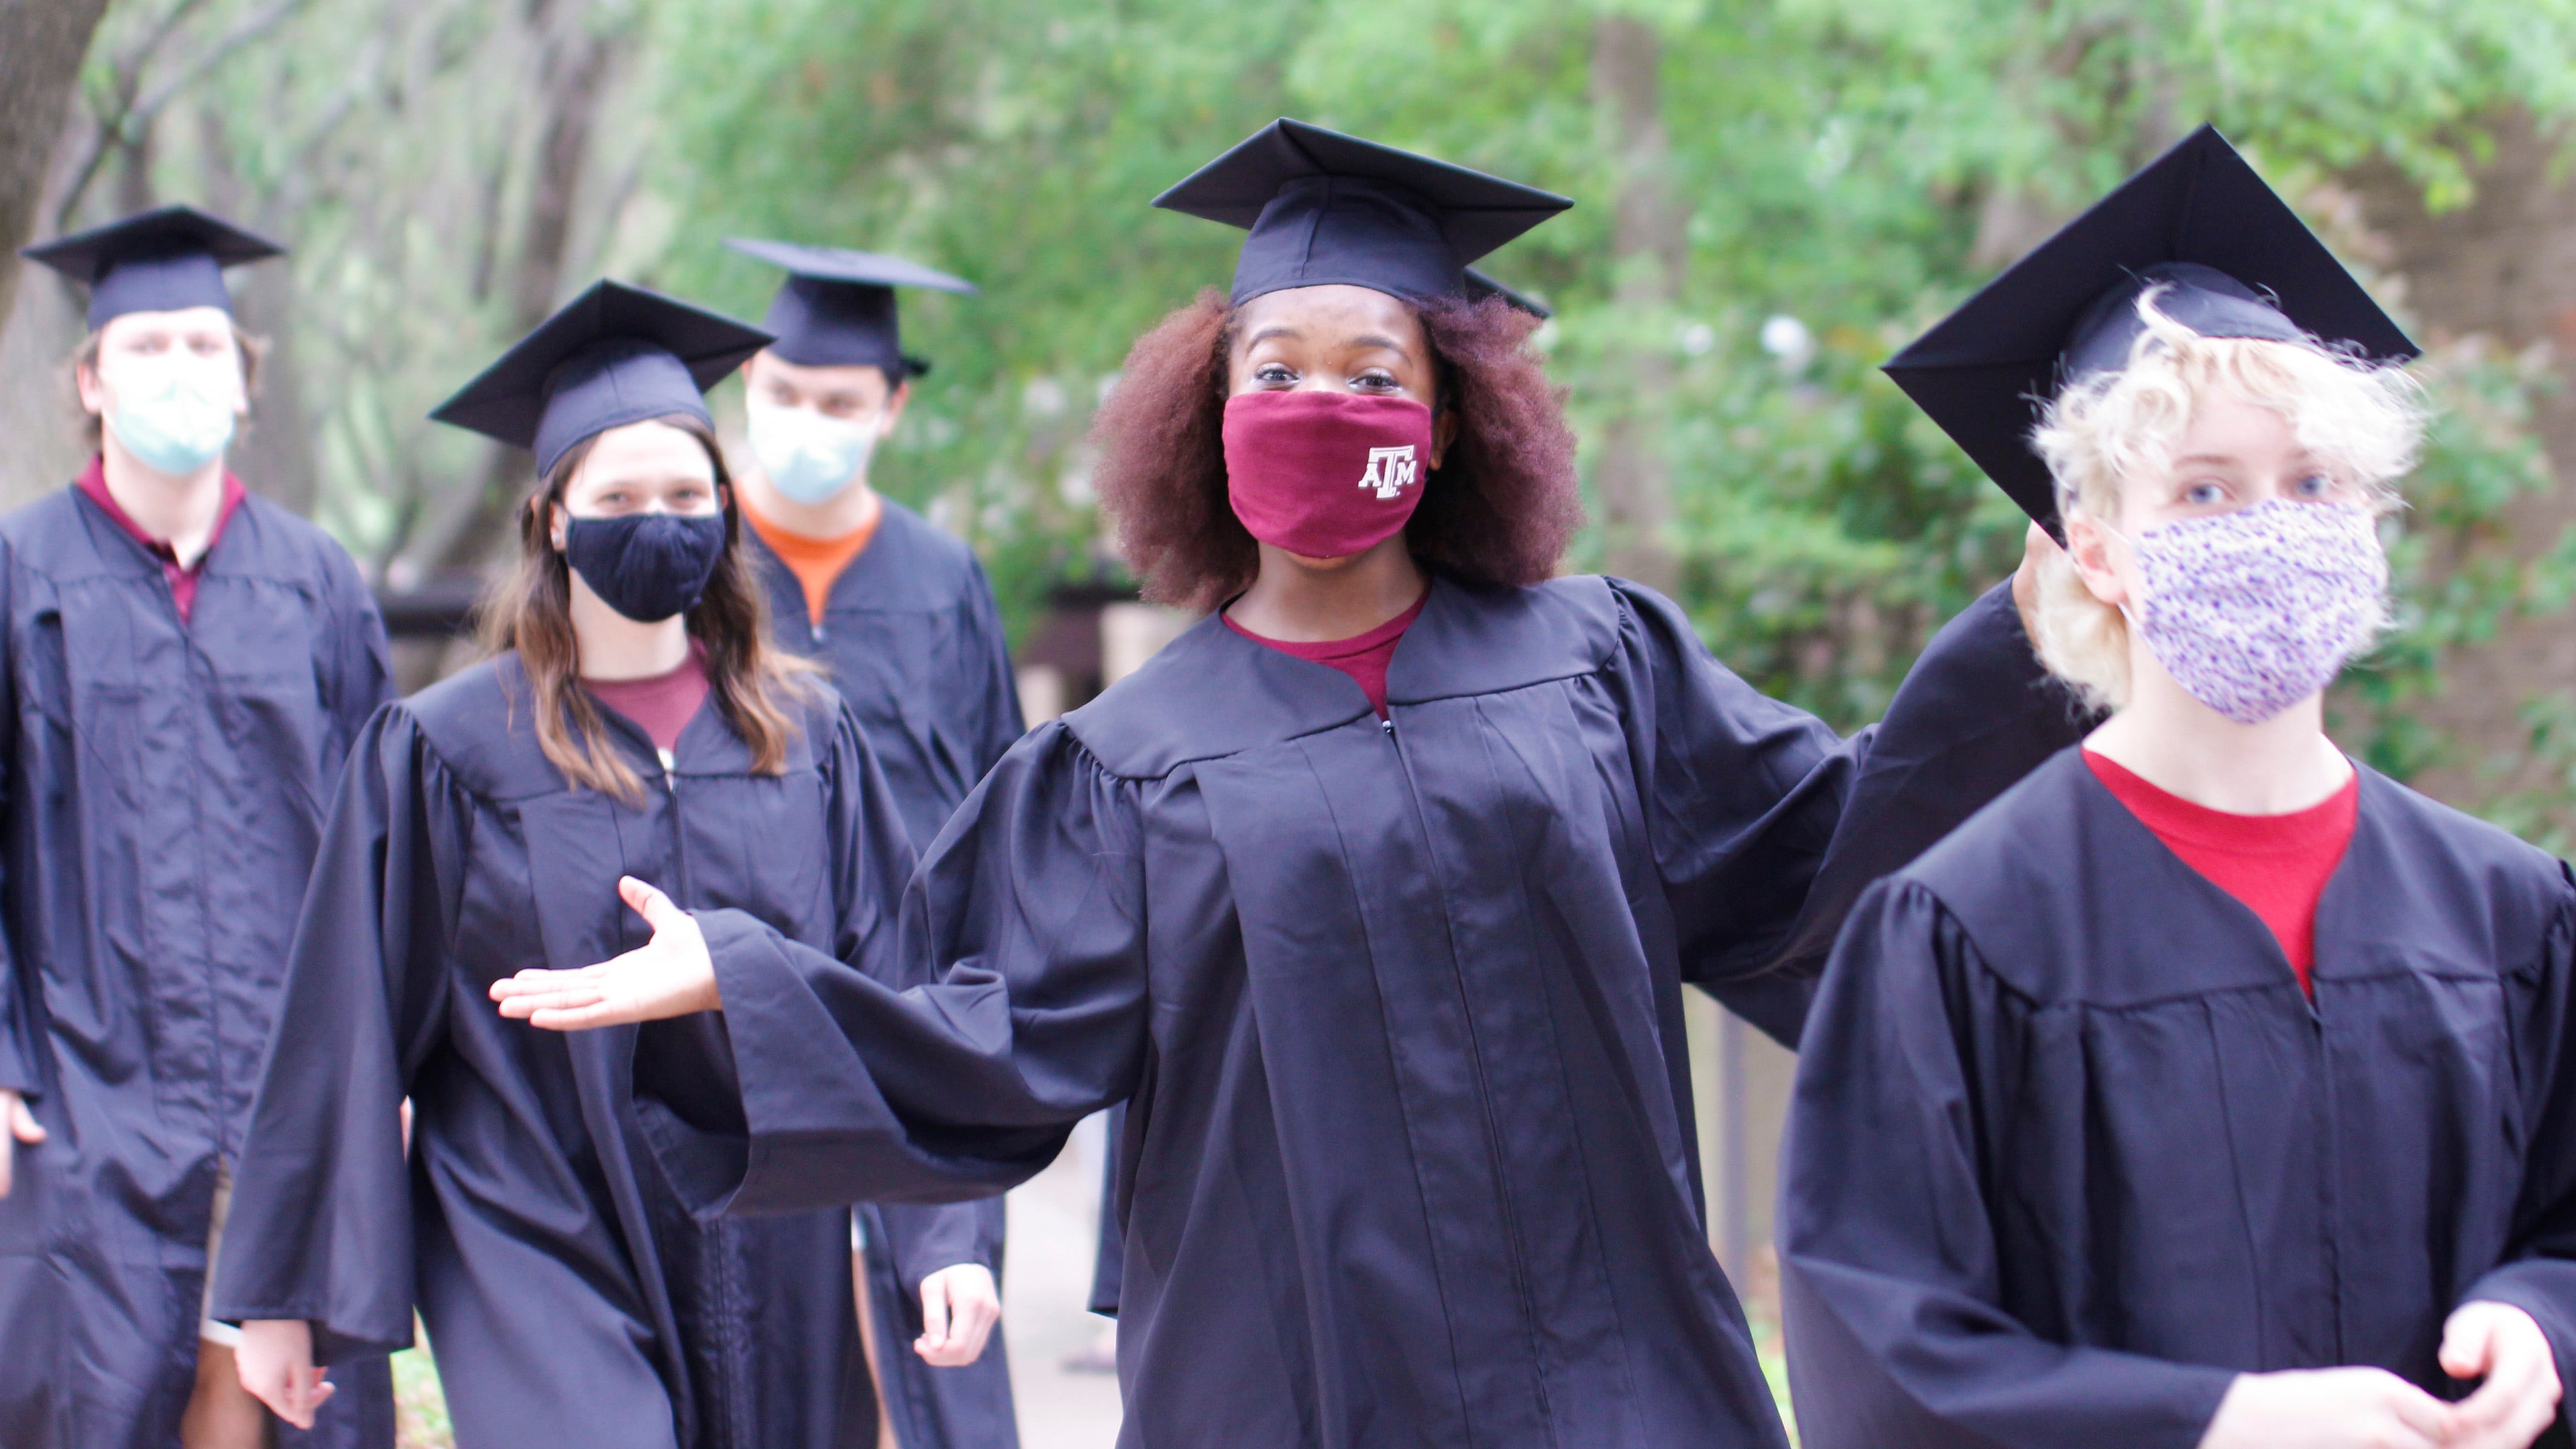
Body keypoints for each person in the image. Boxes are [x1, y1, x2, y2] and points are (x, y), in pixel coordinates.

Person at [490, 121, 2087, 1448]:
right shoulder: (1120, 765)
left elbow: (1829, 856)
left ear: (1454, 421)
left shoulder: (1600, 663)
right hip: (1293, 1393)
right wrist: (747, 990)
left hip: (1619, 1383)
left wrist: (2026, 644)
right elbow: (987, 1040)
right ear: (1211, 409)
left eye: (1373, 373)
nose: (1323, 406)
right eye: (1277, 369)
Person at [1782, 125, 2575, 1449]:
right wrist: (2210, 1422)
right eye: (2204, 491)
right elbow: (1885, 1354)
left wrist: (2545, 1324)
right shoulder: (1965, 935)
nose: (2269, 525)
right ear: (2097, 548)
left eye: (2312, 483)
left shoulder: (2510, 914)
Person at [207, 280, 996, 1449]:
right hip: (532, 1229)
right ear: (555, 520)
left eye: (686, 494)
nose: (658, 520)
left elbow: (899, 986)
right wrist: (282, 1293)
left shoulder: (809, 739)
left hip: (773, 1220)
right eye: (619, 497)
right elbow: (346, 1016)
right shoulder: (451, 750)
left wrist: (944, 1236)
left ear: (725, 514)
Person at [0, 205, 396, 1449]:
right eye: (148, 345)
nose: (180, 370)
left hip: (299, 1090)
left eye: (206, 346)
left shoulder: (318, 582)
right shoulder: (18, 578)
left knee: (307, 1413)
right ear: (89, 379)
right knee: (100, 1399)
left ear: (246, 378)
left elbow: (386, 850)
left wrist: (387, 1061)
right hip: (87, 1083)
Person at [723, 237, 1020, 1449]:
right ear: (747, 383)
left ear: (891, 406)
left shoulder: (945, 577)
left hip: (921, 1018)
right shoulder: (695, 562)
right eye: (786, 393)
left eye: (839, 402)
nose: (808, 420)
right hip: (744, 1015)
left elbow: (1005, 804)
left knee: (940, 1347)